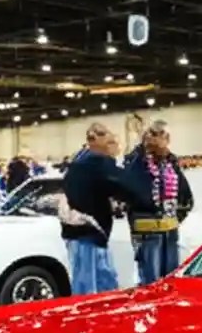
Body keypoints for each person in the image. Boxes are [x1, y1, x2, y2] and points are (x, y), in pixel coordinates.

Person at [60, 122, 152, 295]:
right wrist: (147, 200)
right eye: (111, 143)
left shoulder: (79, 163)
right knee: (88, 289)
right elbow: (125, 186)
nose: (115, 147)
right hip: (88, 233)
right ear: (96, 141)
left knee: (103, 281)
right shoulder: (97, 164)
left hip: (87, 233)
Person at [125, 120, 193, 285]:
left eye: (165, 137)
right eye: (158, 136)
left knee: (170, 280)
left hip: (170, 230)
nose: (164, 141)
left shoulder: (171, 162)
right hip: (147, 230)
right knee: (151, 281)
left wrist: (177, 216)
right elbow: (131, 194)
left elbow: (185, 195)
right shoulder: (136, 162)